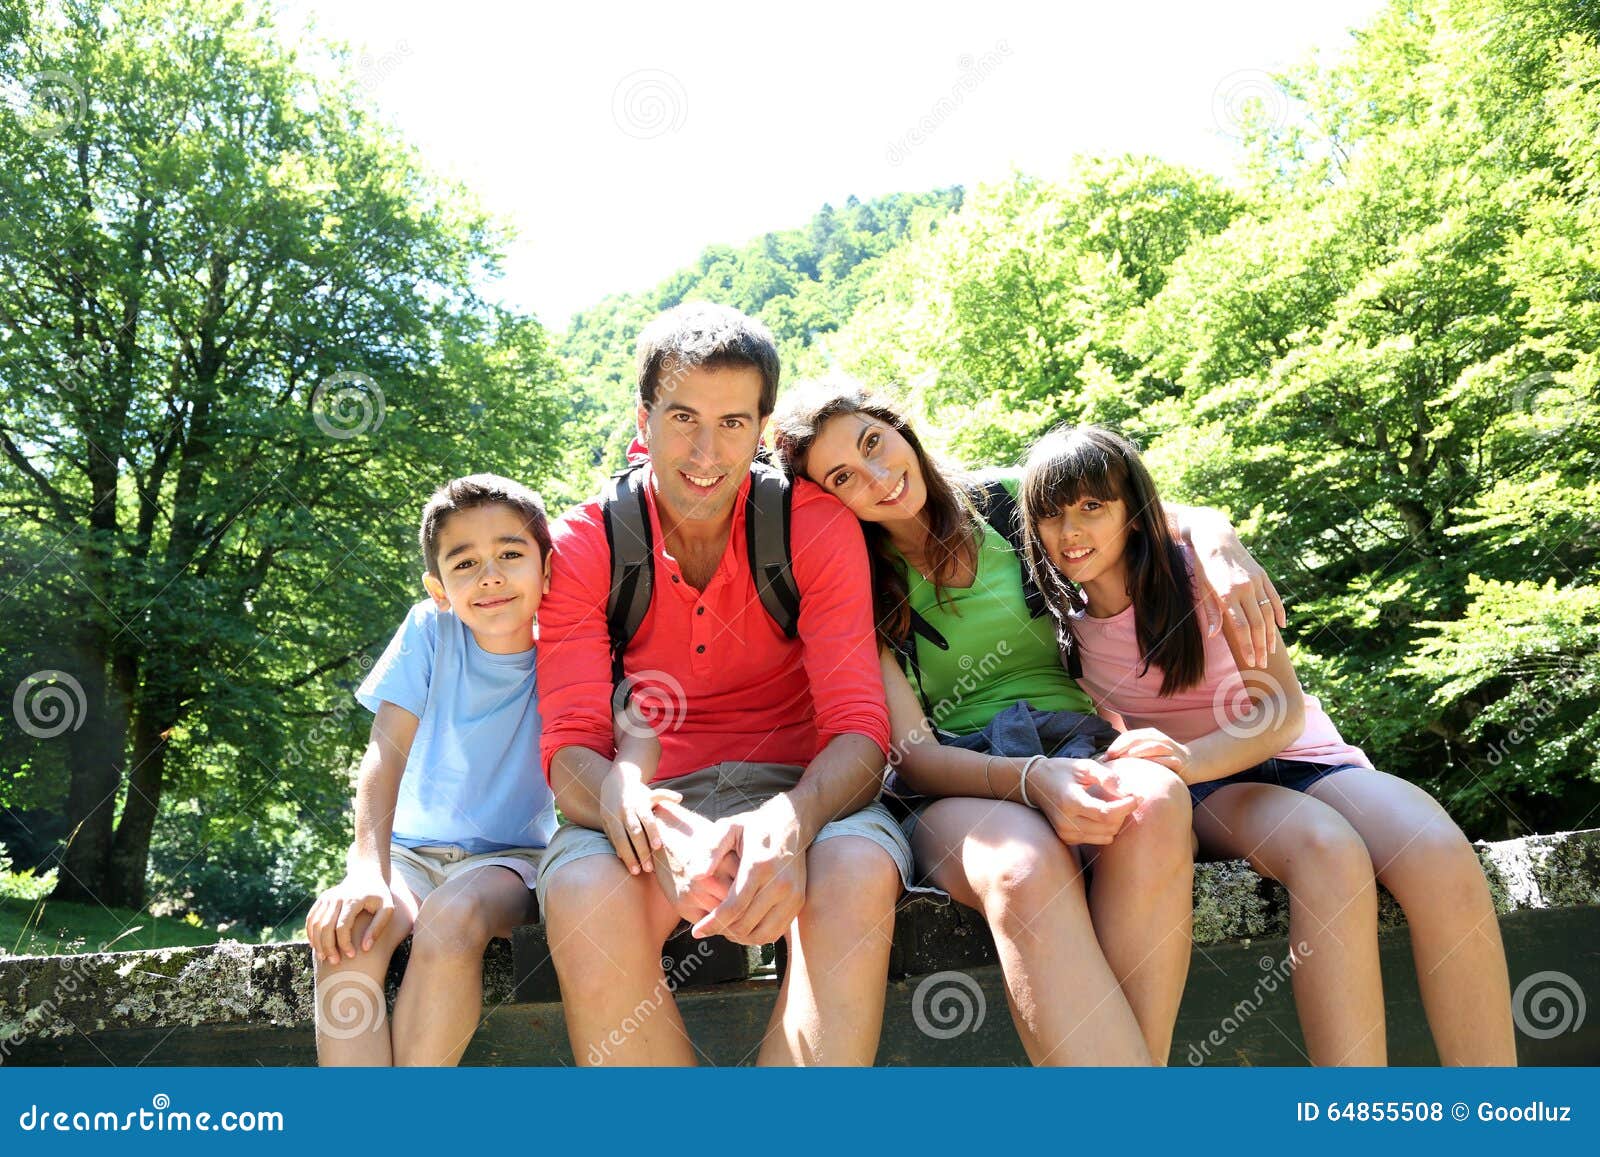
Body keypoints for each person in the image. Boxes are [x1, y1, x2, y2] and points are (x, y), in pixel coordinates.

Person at [772, 382, 1273, 1064]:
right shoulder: (854, 577)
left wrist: (1215, 538)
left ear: (899, 427)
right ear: (828, 500)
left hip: (1079, 741)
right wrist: (1033, 781)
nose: (878, 477)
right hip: (957, 780)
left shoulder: (1010, 502)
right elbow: (913, 754)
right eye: (843, 478)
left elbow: (1146, 511)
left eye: (873, 443)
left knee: (1155, 802)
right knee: (1021, 867)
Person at [1018, 423, 1517, 1065]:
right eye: (1052, 515)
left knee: (1440, 851)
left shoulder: (1204, 577)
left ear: (1135, 514)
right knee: (1327, 850)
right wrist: (1184, 765)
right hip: (1212, 787)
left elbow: (1279, 711)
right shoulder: (1064, 630)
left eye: (1093, 507)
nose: (1072, 531)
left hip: (1298, 754)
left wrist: (1212, 531)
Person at [534, 303, 914, 1066]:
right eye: (683, 418)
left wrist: (792, 820)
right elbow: (570, 752)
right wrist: (655, 829)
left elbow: (861, 735)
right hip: (647, 802)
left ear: (763, 428)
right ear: (643, 419)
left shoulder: (811, 525)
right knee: (583, 896)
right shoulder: (585, 544)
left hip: (806, 788)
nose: (706, 451)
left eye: (734, 422)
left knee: (857, 870)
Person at [305, 474, 605, 1066]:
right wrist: (366, 868)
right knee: (349, 941)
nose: (490, 576)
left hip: (510, 861)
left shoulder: (573, 648)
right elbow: (383, 755)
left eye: (511, 554)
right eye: (464, 564)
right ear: (438, 588)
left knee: (452, 920)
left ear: (548, 571)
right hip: (409, 854)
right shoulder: (430, 630)